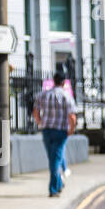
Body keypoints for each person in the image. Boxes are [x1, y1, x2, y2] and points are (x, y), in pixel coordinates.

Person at [33, 63, 77, 197]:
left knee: (52, 159)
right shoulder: (66, 96)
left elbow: (35, 111)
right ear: (64, 83)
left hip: (46, 130)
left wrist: (40, 121)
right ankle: (53, 189)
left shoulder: (43, 95)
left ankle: (58, 185)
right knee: (56, 160)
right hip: (60, 131)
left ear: (54, 81)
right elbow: (72, 116)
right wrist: (71, 129)